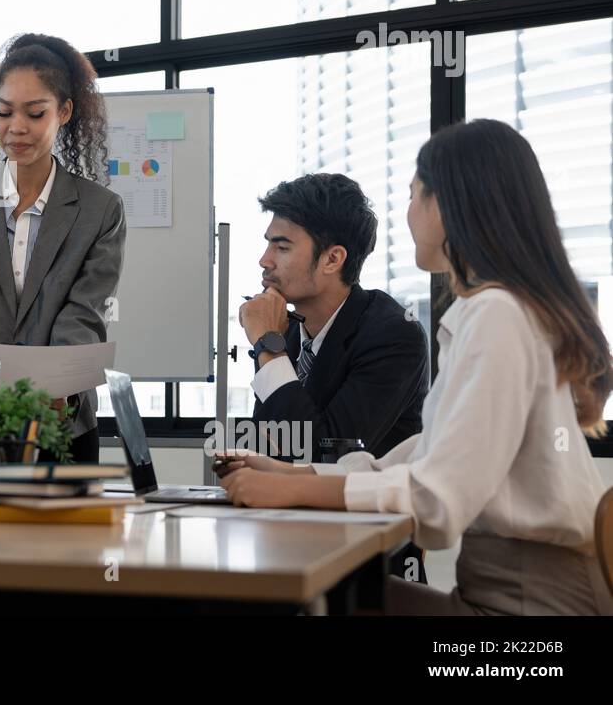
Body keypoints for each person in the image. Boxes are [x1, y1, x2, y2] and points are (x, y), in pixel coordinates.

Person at [219, 120, 613, 615]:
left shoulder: (496, 316)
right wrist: (295, 471)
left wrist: (296, 485)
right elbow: (425, 455)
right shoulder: (503, 310)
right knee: (302, 596)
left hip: (530, 610)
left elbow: (438, 502)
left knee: (294, 603)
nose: (406, 215)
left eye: (413, 196)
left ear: (448, 205)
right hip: (519, 590)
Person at [0, 33, 126, 463]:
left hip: (61, 419)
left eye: (35, 114)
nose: (16, 128)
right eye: (3, 112)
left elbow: (84, 316)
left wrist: (48, 391)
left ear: (64, 112)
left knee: (57, 531)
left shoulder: (100, 210)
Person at [239, 173, 428, 462]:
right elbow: (265, 446)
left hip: (360, 506)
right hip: (287, 503)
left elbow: (325, 458)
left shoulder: (393, 334)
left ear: (332, 259)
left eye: (282, 247)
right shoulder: (285, 330)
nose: (264, 260)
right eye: (268, 245)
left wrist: (267, 346)